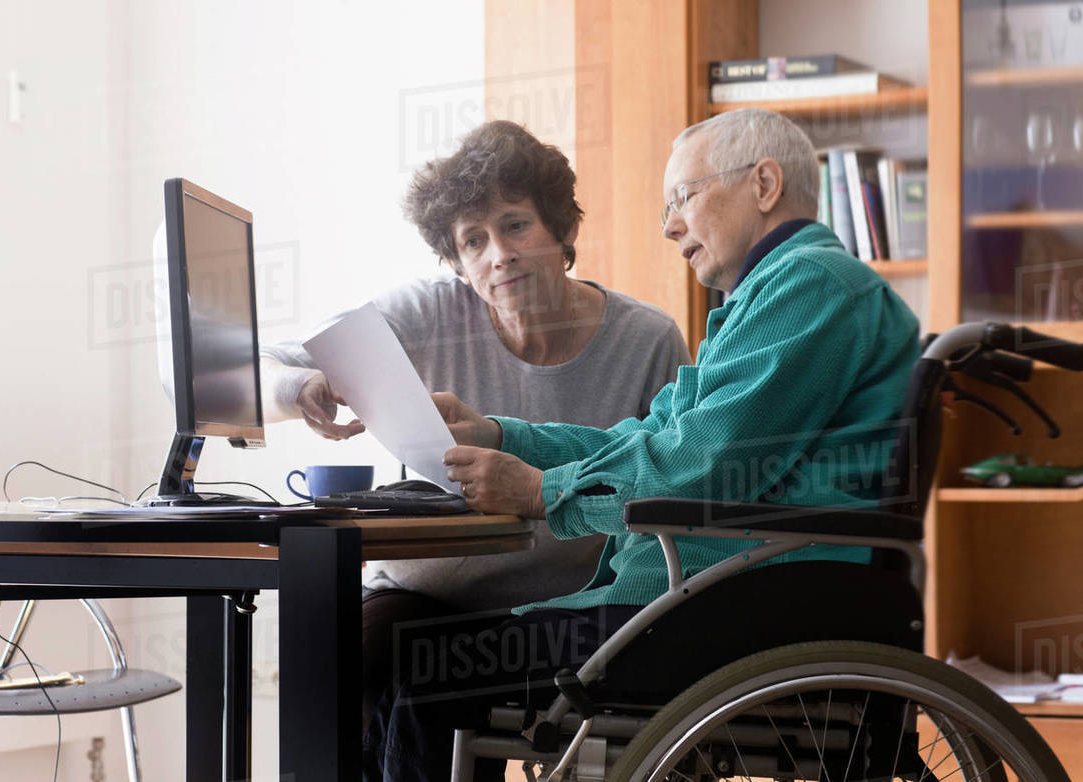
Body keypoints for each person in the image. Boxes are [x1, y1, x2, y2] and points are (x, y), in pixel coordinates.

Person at [364, 107, 921, 780]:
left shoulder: (808, 287)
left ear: (765, 185)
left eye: (684, 197)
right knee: (415, 656)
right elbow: (653, 436)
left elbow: (708, 465)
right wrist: (501, 434)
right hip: (724, 593)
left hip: (732, 603)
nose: (669, 226)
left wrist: (545, 493)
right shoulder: (775, 296)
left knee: (427, 671)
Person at [259, 120, 692, 727]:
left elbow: (670, 482)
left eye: (515, 225)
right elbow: (263, 360)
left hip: (567, 606)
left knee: (432, 684)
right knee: (334, 662)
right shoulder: (429, 311)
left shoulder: (647, 340)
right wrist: (299, 385)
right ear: (457, 263)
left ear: (562, 228)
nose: (500, 255)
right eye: (473, 241)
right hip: (423, 593)